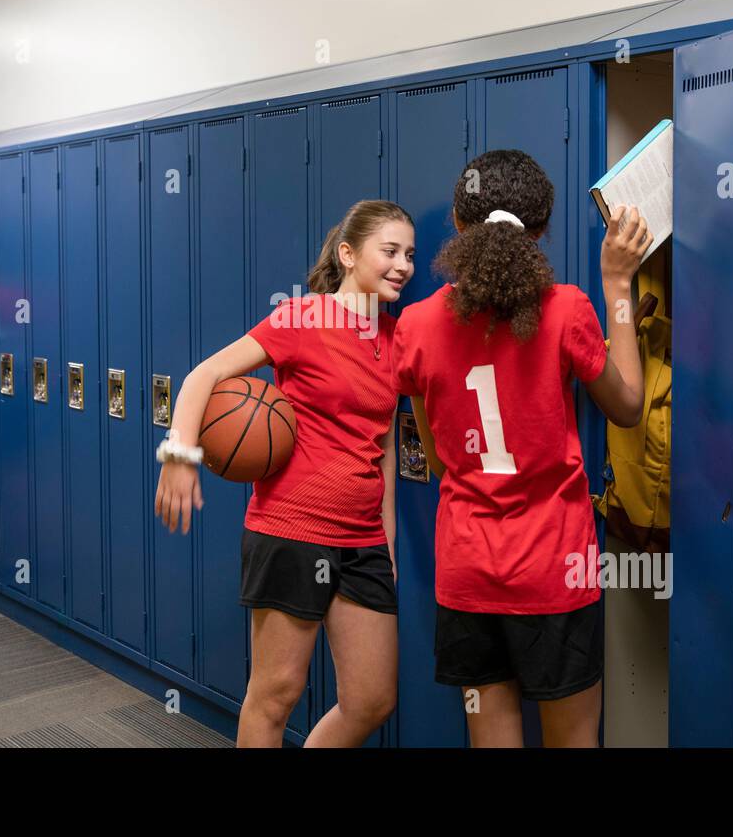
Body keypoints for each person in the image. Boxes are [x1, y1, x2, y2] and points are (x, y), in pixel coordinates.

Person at [392, 149, 650, 747]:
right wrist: (617, 284)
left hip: (468, 576)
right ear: (539, 231)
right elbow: (629, 405)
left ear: (457, 223)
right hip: (554, 571)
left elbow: (434, 459)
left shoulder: (418, 326)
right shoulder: (565, 309)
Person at [155, 200, 414, 747]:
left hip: (363, 539)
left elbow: (384, 446)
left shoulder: (395, 338)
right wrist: (181, 457)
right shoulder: (302, 319)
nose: (402, 265)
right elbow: (206, 375)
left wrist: (386, 541)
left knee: (372, 699)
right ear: (348, 254)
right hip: (291, 529)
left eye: (409, 255)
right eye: (389, 251)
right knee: (276, 695)